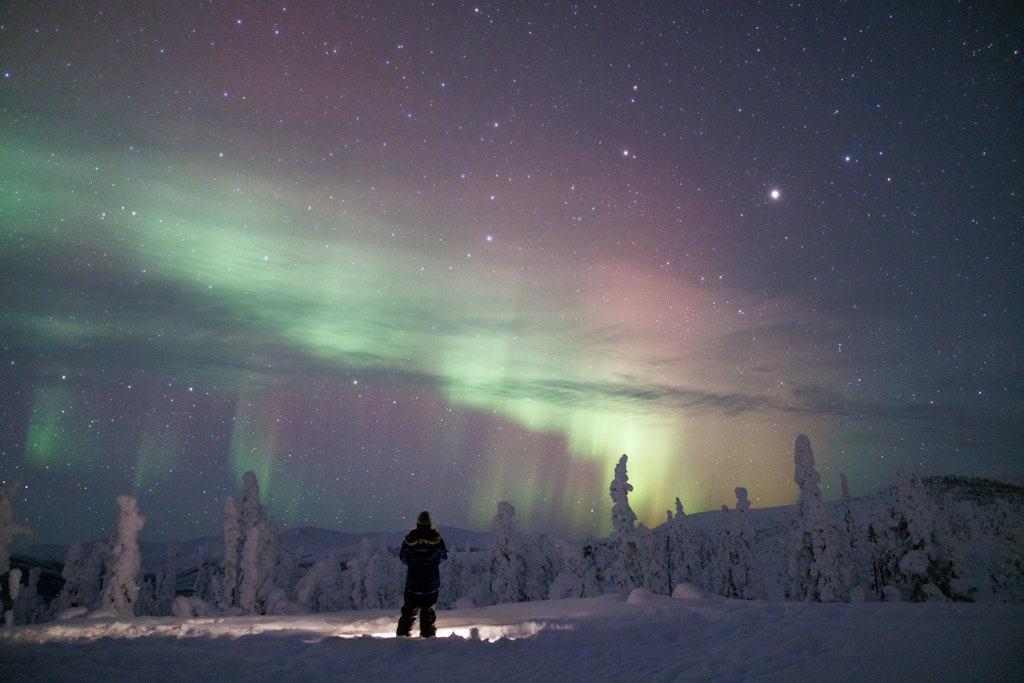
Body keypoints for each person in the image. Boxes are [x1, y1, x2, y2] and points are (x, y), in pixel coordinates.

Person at [396, 510, 448, 637]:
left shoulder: (409, 540)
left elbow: (403, 558)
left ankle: (402, 639)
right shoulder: (437, 540)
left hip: (413, 583)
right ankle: (428, 638)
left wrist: (413, 564)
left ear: (418, 524)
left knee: (408, 612)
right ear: (429, 524)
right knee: (428, 612)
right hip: (431, 584)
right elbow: (443, 558)